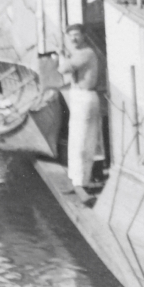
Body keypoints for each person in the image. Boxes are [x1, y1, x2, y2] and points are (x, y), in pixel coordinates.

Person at [57, 25, 106, 195]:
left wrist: (61, 55)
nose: (73, 39)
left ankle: (81, 183)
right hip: (78, 96)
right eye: (70, 36)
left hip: (85, 98)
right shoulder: (79, 53)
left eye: (77, 35)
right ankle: (76, 180)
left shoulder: (86, 53)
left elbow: (63, 69)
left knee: (83, 141)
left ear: (84, 36)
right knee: (75, 140)